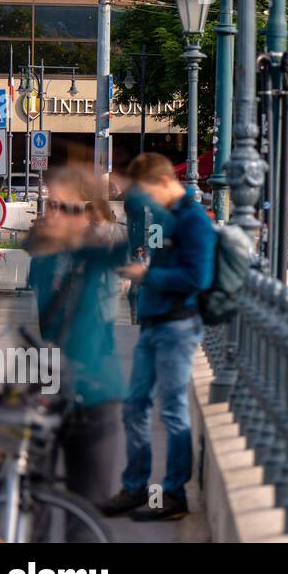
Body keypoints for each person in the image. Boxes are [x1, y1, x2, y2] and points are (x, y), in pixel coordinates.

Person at [100, 153, 215, 522]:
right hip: (154, 324)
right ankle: (135, 487)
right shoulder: (169, 218)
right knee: (134, 404)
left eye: (147, 192)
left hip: (179, 326)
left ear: (164, 182)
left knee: (172, 410)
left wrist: (147, 277)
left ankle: (173, 493)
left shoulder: (194, 220)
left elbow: (197, 278)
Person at [25, 166, 127, 516]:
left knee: (82, 512)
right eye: (48, 204)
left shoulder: (98, 253)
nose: (51, 213)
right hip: (47, 386)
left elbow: (118, 252)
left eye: (62, 207)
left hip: (94, 391)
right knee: (29, 502)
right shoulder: (42, 259)